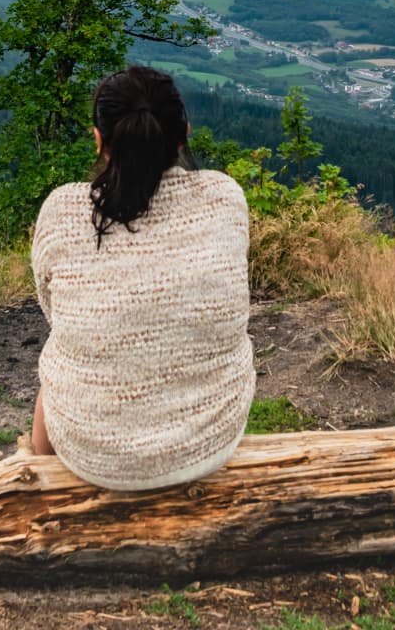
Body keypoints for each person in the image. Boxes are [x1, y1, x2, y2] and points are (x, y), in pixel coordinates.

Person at [28, 65, 254, 491]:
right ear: (183, 135)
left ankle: (41, 476)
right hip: (206, 443)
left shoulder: (62, 212)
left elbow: (52, 308)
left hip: (94, 456)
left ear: (99, 139)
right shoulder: (224, 198)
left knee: (54, 373)